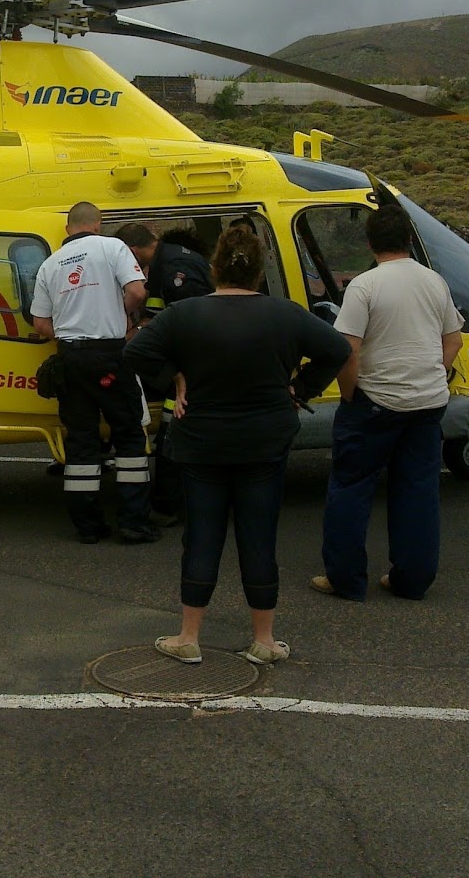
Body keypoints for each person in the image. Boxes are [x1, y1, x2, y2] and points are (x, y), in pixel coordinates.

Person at [125, 226, 350, 665]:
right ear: (259, 272)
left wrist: (174, 376)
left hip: (202, 441)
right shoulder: (286, 315)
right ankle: (263, 640)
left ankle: (189, 636)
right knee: (259, 537)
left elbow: (135, 353)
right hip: (264, 441)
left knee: (202, 537)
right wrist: (299, 388)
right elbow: (336, 349)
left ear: (213, 268)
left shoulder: (184, 314)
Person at [313, 204, 463, 602]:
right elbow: (454, 340)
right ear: (409, 241)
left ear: (370, 243)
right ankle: (412, 580)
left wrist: (350, 394)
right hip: (428, 402)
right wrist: (434, 372)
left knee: (350, 487)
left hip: (376, 402)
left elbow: (348, 349)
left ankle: (346, 580)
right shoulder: (435, 283)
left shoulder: (365, 286)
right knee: (417, 492)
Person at [31, 202, 152, 544]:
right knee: (128, 435)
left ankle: (87, 526)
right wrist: (123, 315)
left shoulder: (50, 264)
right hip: (110, 355)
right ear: (97, 225)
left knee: (82, 443)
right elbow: (137, 290)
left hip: (70, 359)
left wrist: (73, 329)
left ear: (69, 228)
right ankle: (133, 523)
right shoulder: (112, 247)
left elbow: (41, 324)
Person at [115, 222, 214, 526]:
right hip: (185, 368)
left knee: (174, 438)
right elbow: (160, 311)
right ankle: (174, 505)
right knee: (173, 438)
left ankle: (172, 508)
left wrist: (176, 375)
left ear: (131, 251)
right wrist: (142, 325)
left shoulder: (176, 269)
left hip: (191, 371)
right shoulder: (165, 262)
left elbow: (189, 326)